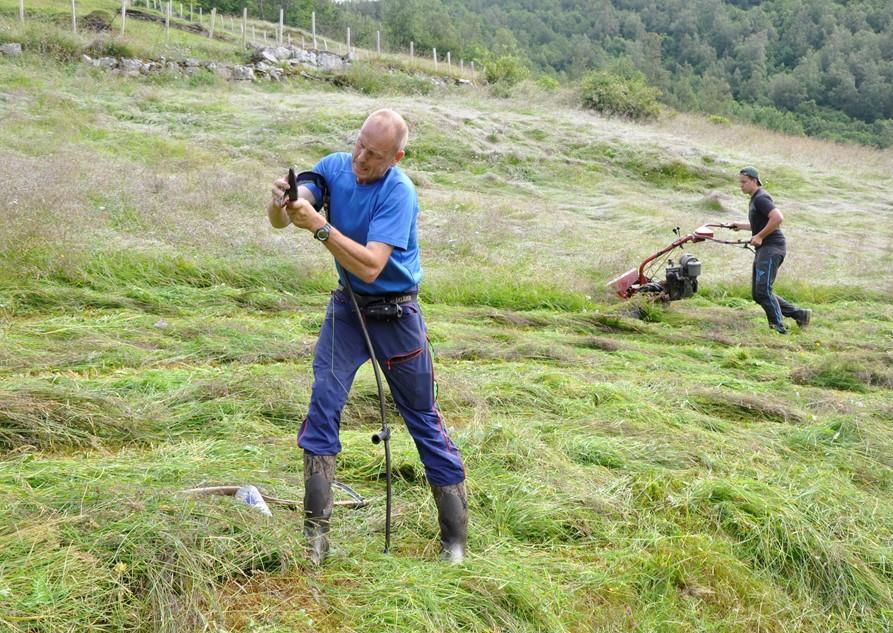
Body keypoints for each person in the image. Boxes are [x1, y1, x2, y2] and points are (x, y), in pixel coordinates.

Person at [266, 109, 467, 565]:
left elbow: (372, 265)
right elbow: (291, 212)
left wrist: (319, 227)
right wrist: (284, 201)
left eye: (374, 155)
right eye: (359, 145)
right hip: (348, 310)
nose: (360, 158)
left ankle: (454, 540)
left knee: (423, 420)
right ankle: (315, 539)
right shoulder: (335, 167)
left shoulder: (400, 192)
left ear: (396, 157)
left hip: (398, 315)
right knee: (323, 405)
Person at [729, 166, 811, 334]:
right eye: (740, 182)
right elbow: (763, 223)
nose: (741, 186)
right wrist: (741, 226)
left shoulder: (761, 198)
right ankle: (799, 314)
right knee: (758, 293)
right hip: (765, 249)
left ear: (754, 181)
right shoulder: (754, 198)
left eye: (744, 182)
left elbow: (777, 218)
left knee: (763, 291)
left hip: (772, 248)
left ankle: (778, 329)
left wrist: (758, 236)